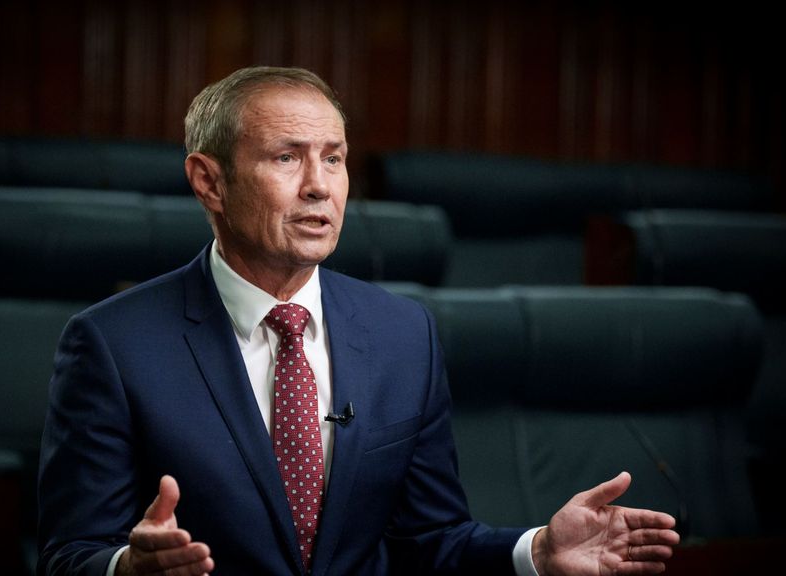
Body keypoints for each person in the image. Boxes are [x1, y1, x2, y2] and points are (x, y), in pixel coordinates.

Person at [37, 66, 679, 576]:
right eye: (287, 158)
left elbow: (429, 542)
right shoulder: (114, 344)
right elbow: (68, 555)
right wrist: (126, 569)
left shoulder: (405, 334)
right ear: (209, 181)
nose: (320, 186)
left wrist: (535, 553)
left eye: (335, 158)